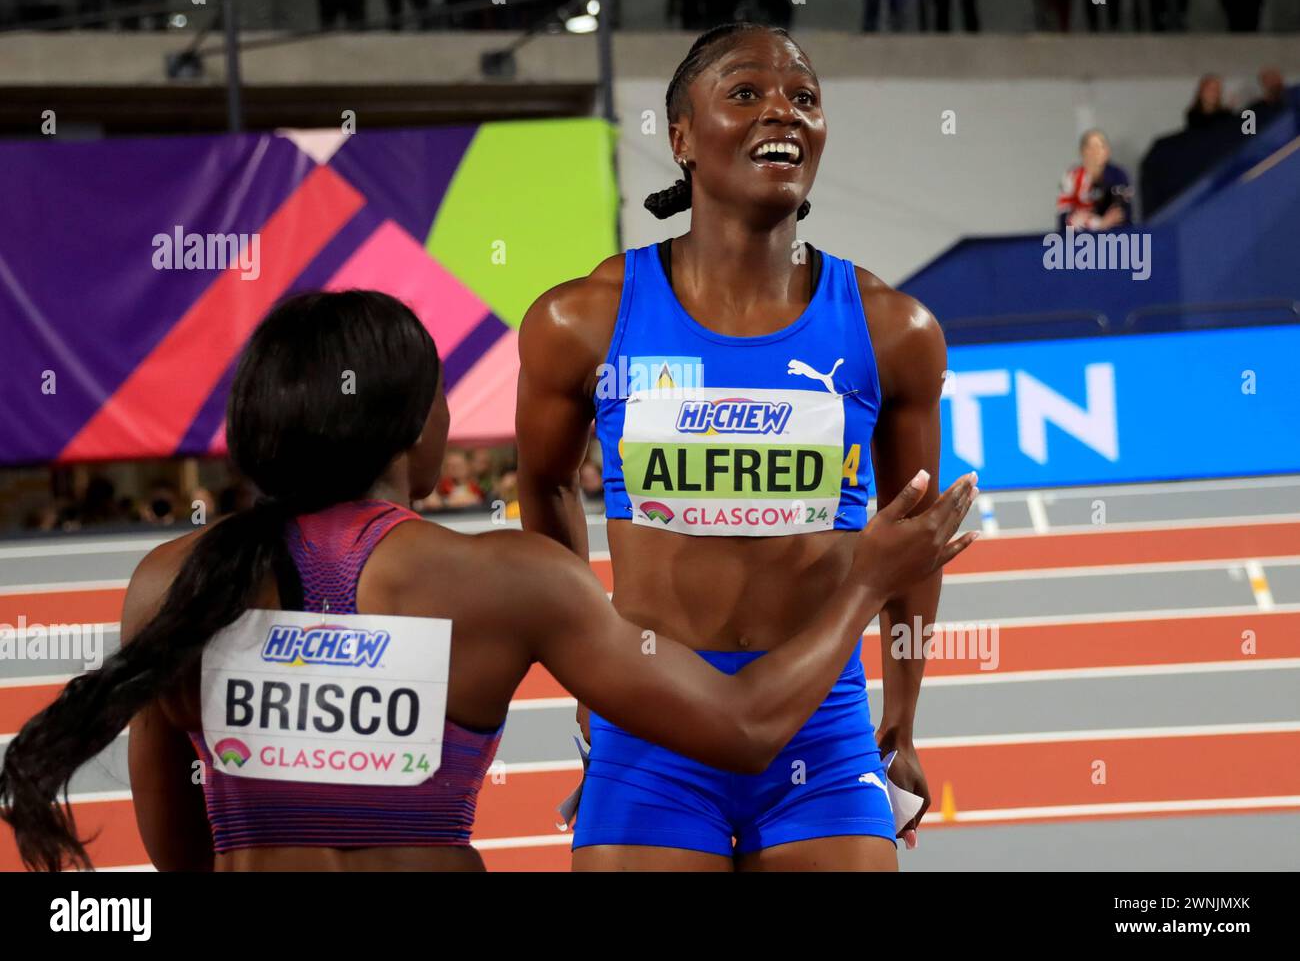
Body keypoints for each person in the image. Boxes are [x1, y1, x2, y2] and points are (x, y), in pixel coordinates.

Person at [0, 290, 977, 873]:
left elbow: (181, 853)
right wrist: (864, 581)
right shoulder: (507, 582)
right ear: (419, 430)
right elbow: (744, 726)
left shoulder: (168, 583)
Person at [517, 23, 961, 872]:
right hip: (650, 715)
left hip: (819, 724)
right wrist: (589, 666)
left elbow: (913, 541)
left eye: (804, 98)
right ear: (680, 137)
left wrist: (902, 716)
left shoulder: (894, 330)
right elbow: (544, 489)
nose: (781, 113)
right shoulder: (580, 321)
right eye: (745, 93)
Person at [1056, 129, 1132, 231]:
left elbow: (1120, 215)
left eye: (1102, 146)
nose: (1097, 152)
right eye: (1092, 147)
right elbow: (1064, 219)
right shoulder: (1072, 177)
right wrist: (1099, 224)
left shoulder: (1118, 175)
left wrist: (1096, 222)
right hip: (1079, 240)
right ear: (1082, 151)